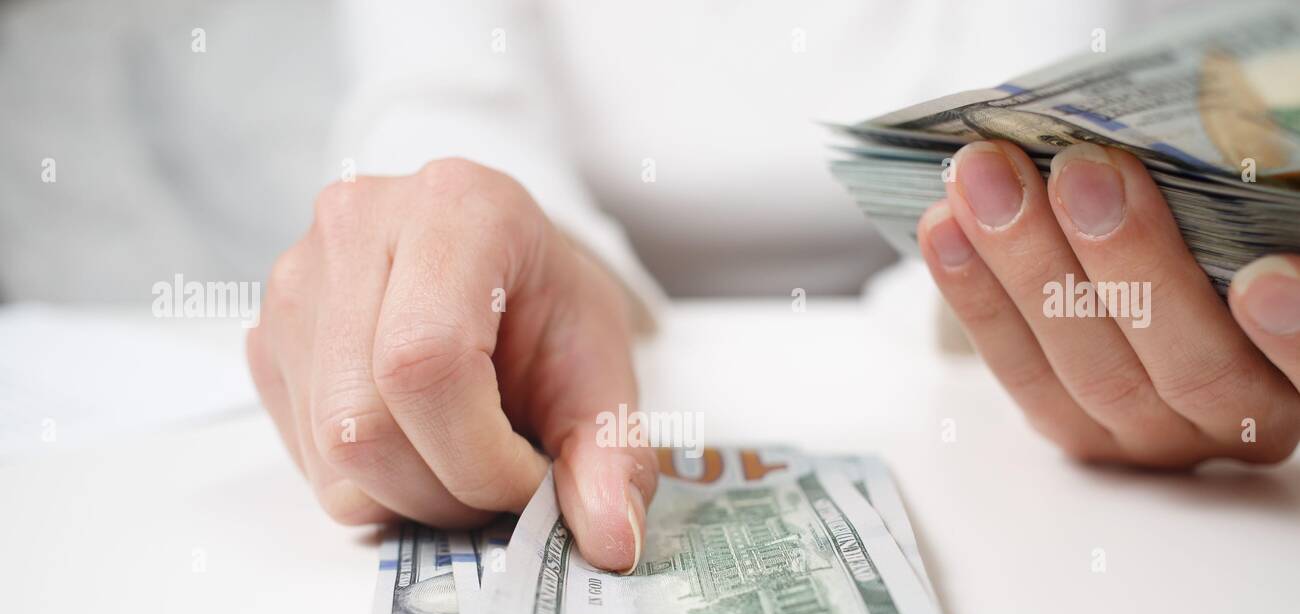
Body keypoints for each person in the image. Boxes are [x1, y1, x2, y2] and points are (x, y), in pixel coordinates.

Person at [244, 0, 1300, 574]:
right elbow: (439, 94)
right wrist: (457, 224)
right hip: (623, 370)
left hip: (1005, 433)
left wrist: (1037, 304)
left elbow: (1070, 114)